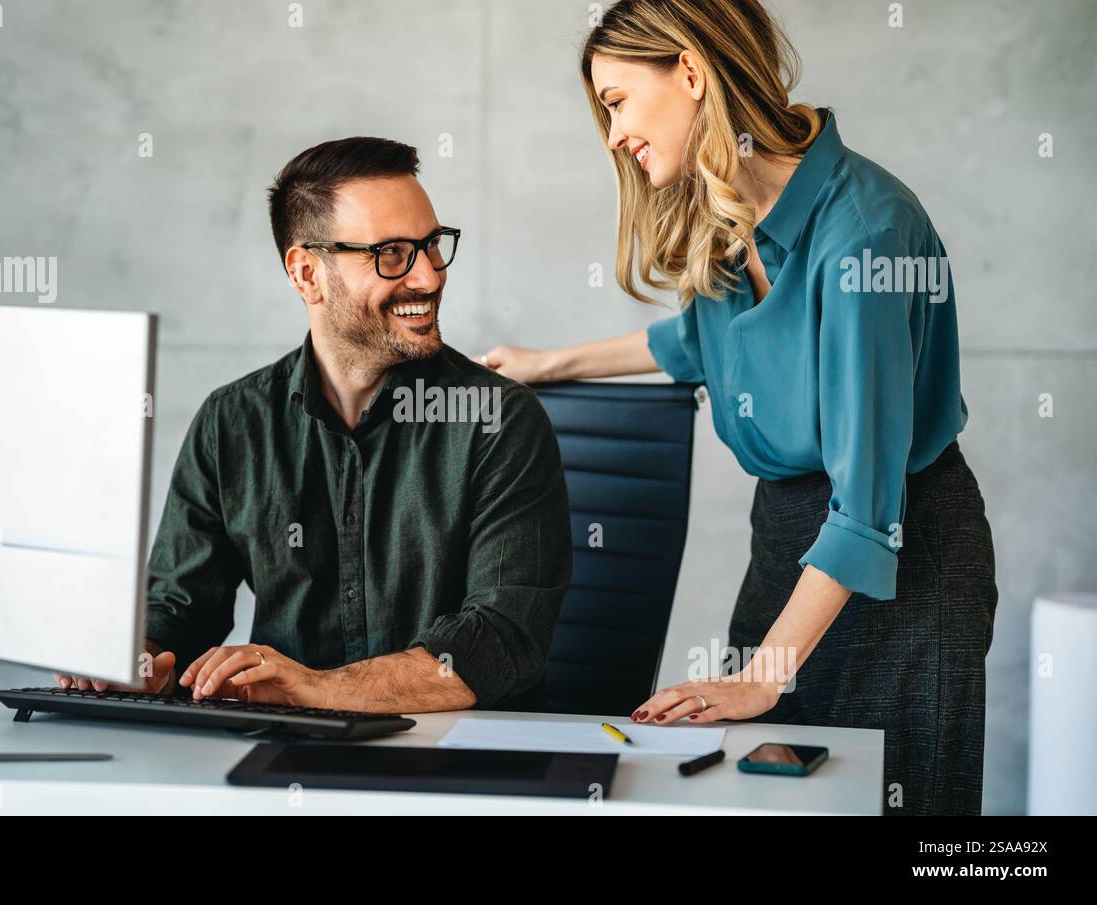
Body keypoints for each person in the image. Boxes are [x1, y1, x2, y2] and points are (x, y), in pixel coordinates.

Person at [480, 0, 997, 814]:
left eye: (616, 102)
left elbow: (865, 510)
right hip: (786, 549)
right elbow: (695, 342)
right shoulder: (730, 216)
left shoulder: (866, 234)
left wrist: (762, 677)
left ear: (690, 70)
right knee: (762, 796)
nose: (612, 135)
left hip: (903, 558)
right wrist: (547, 364)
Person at [59, 136, 571, 714]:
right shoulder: (232, 422)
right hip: (280, 756)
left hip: (460, 763)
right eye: (393, 254)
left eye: (432, 245)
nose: (428, 278)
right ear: (306, 274)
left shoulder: (499, 421)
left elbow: (501, 641)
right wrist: (135, 662)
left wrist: (321, 688)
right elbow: (180, 608)